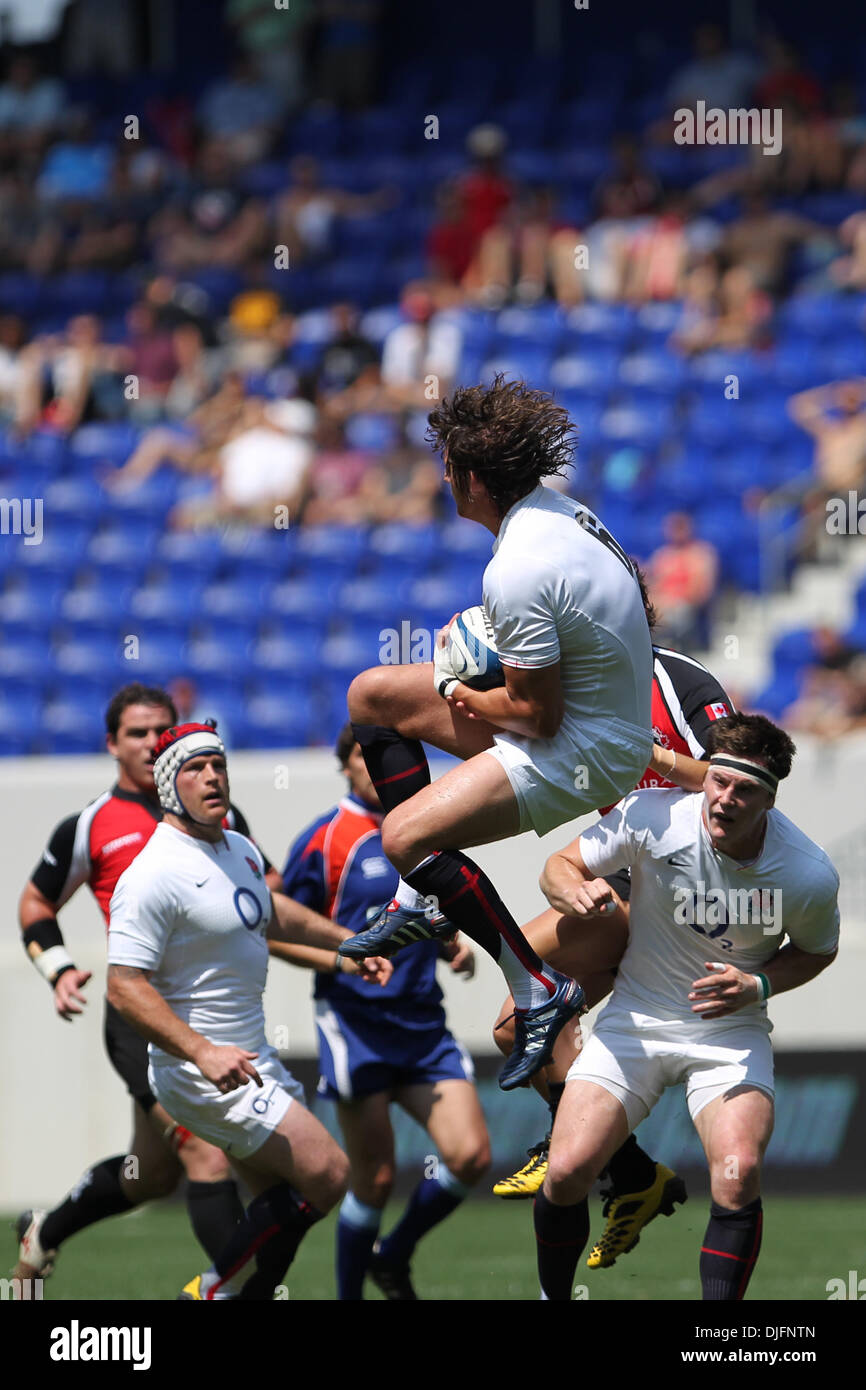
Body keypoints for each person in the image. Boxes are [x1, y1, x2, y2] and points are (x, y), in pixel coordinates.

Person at [337, 376, 655, 1091]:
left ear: (471, 479)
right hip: (587, 714)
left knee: (405, 839)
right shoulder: (559, 513)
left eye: (446, 467)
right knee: (374, 694)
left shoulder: (515, 567)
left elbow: (533, 715)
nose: (442, 479)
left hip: (586, 750)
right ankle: (422, 897)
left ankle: (539, 986)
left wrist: (456, 684)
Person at [533, 713, 839, 1301]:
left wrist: (758, 987)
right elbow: (559, 864)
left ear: (769, 800)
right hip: (636, 1020)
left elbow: (815, 952)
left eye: (744, 790)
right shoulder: (656, 815)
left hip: (728, 1033)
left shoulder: (806, 874)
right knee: (567, 1171)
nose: (724, 799)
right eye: (718, 781)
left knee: (738, 1173)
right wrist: (570, 890)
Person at [491, 580, 736, 1273]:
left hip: (682, 885)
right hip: (618, 874)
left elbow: (737, 778)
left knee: (525, 1010)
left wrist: (650, 758)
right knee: (515, 1024)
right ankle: (631, 1174)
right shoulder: (573, 695)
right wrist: (461, 685)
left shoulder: (680, 678)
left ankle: (600, 1159)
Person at [105, 720, 390, 1300]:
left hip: (252, 1059)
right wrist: (202, 1051)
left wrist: (348, 944)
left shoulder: (237, 847)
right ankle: (211, 1292)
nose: (212, 776)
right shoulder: (153, 872)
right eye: (194, 768)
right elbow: (123, 986)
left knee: (278, 1207)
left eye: (218, 765)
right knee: (330, 1174)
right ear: (167, 786)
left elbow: (273, 912)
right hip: (200, 1071)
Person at [13, 683, 281, 1288]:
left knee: (149, 1175)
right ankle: (237, 1290)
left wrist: (345, 946)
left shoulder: (222, 816)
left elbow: (268, 896)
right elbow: (35, 900)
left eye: (161, 731)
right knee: (206, 1153)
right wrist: (56, 968)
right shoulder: (90, 825)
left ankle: (45, 1232)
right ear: (112, 744)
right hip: (141, 1016)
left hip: (211, 1017)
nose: (149, 743)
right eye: (136, 733)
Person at [275, 724, 490, 1299]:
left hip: (422, 1026)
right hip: (356, 1025)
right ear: (344, 765)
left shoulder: (426, 831)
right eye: (364, 758)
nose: (376, 768)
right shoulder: (326, 839)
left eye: (384, 759)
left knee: (471, 1156)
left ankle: (392, 1255)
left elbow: (435, 906)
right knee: (374, 1178)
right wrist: (343, 961)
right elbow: (276, 930)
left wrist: (453, 944)